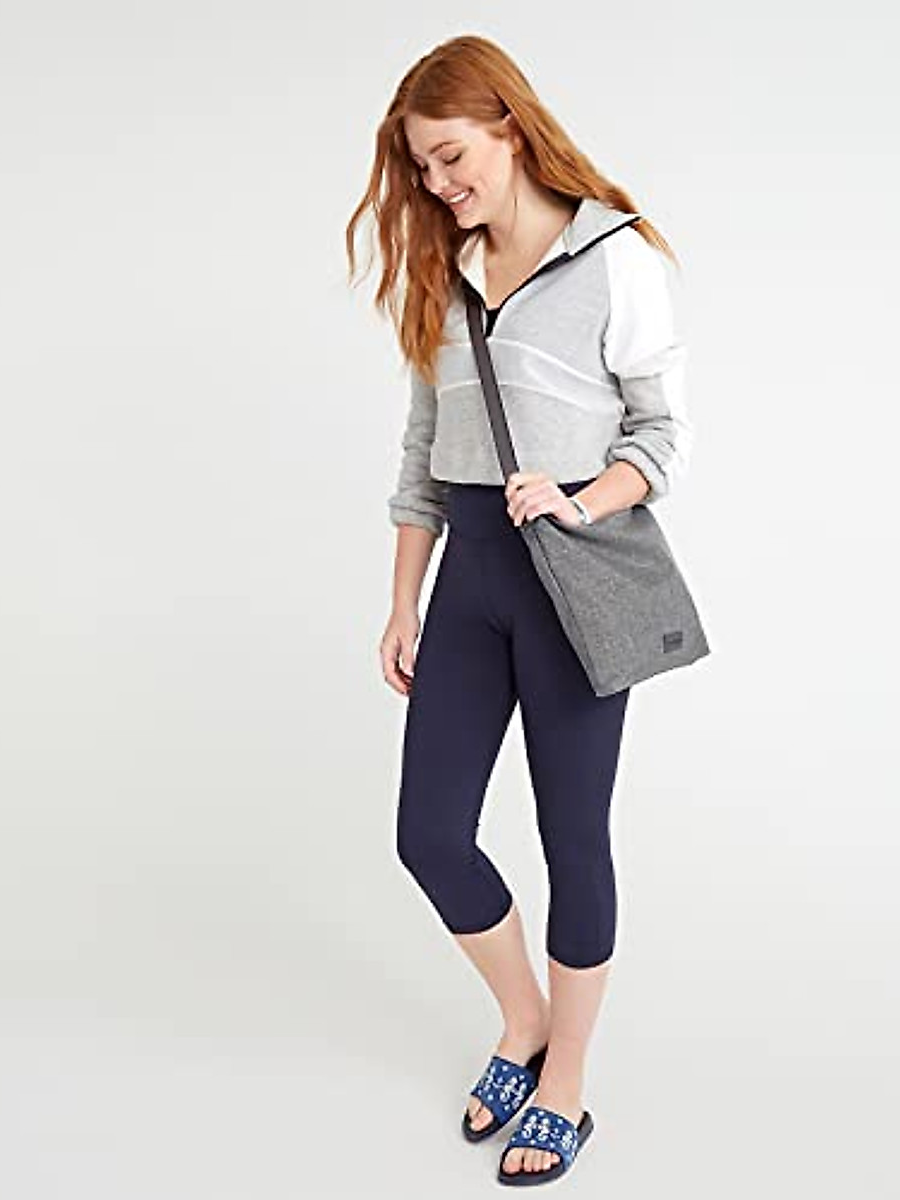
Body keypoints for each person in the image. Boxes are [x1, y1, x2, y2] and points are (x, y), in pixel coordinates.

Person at [345, 34, 692, 1185]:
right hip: (469, 579)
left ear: (508, 124)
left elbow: (662, 434)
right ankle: (525, 1019)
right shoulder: (444, 271)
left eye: (451, 157)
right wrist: (403, 600)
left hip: (573, 579)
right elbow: (421, 451)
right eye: (422, 168)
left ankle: (567, 1082)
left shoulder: (617, 257)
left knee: (570, 837)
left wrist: (582, 500)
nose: (438, 183)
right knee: (429, 833)